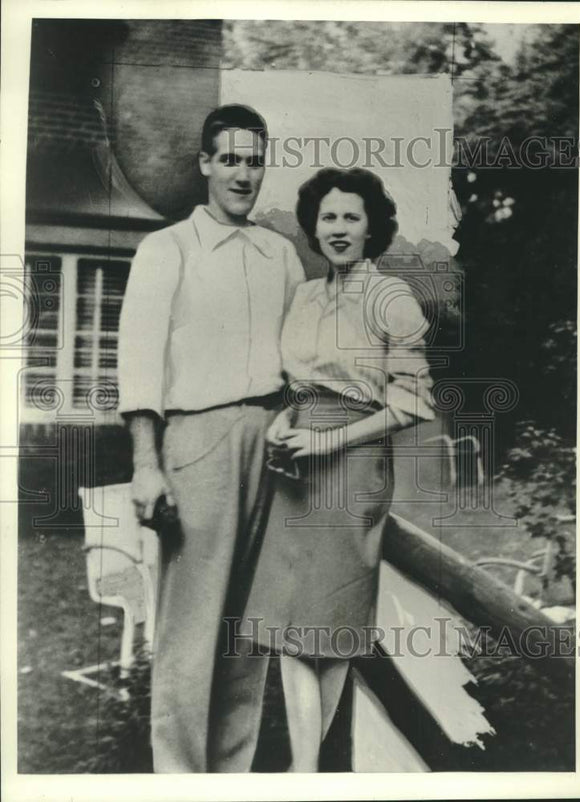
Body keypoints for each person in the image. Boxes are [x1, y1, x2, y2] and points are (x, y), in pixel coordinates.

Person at [117, 104, 305, 773]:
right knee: (191, 630)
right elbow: (139, 366)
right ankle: (178, 776)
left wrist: (297, 417)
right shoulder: (166, 250)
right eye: (230, 158)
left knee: (247, 633)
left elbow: (301, 358)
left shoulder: (280, 254)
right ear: (205, 163)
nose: (243, 173)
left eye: (254, 160)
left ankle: (230, 777)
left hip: (272, 444)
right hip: (196, 442)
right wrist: (147, 465)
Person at [239, 167, 436, 771]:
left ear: (372, 226)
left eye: (352, 217)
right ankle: (309, 769)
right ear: (313, 227)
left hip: (353, 467)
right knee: (294, 629)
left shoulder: (391, 297)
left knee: (333, 627)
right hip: (297, 465)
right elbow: (296, 385)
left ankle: (306, 771)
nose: (339, 228)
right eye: (328, 217)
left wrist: (331, 443)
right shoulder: (304, 295)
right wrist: (284, 421)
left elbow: (412, 403)